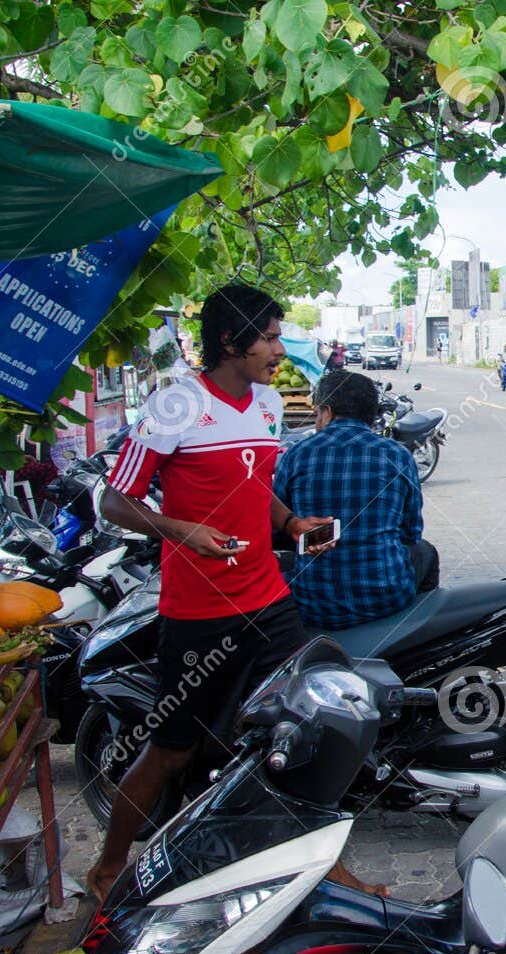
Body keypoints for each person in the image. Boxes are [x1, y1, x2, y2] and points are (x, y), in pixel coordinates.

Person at [85, 284, 338, 902]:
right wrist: (178, 529)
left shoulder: (270, 403)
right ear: (230, 341)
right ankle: (109, 866)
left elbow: (257, 485)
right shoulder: (177, 404)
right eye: (270, 338)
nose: (280, 350)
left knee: (308, 728)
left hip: (269, 600)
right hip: (198, 613)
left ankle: (323, 869)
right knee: (173, 750)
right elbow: (114, 499)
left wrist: (288, 523)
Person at [275, 369, 439, 630]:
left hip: (315, 605)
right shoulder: (397, 455)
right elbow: (411, 532)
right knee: (426, 551)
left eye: (316, 412)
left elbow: (278, 527)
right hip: (388, 598)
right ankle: (421, 632)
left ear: (326, 411)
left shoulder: (297, 455)